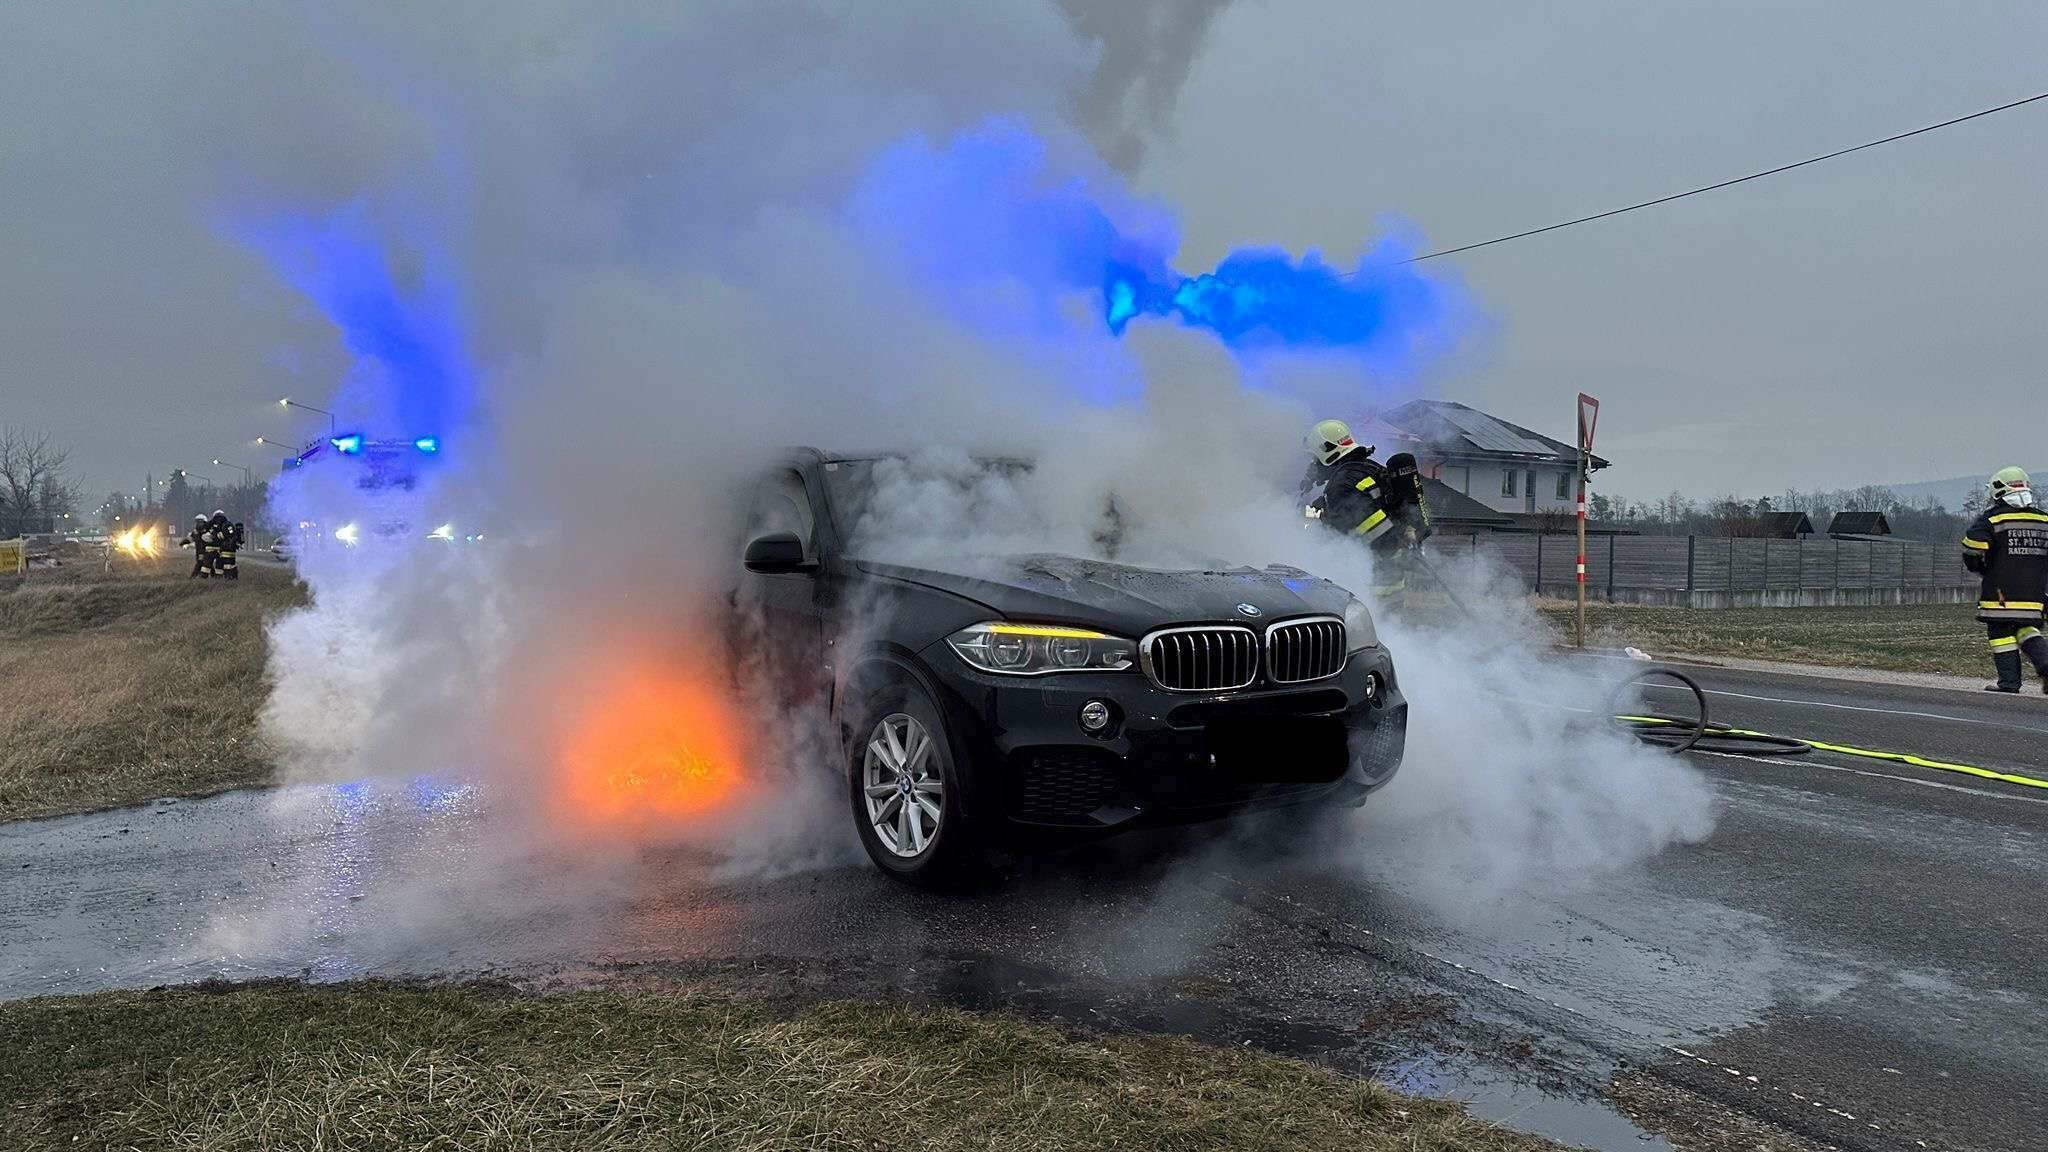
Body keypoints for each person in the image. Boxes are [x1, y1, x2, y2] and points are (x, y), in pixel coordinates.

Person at [1963, 467, 2048, 693]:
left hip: (2000, 593)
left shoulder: (1994, 518)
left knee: (2001, 635)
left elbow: (1972, 547)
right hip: (2035, 594)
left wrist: (1980, 567)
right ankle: (2046, 666)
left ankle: (2009, 684)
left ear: (1998, 490)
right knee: (2026, 630)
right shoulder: (2043, 519)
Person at [179, 514, 211, 579]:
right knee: (201, 563)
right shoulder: (195, 532)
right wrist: (183, 543)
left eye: (200, 522)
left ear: (204, 522)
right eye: (197, 522)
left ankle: (194, 577)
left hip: (208, 551)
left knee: (204, 564)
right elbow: (190, 539)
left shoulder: (208, 530)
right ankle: (200, 577)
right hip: (199, 551)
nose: (199, 524)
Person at [208, 510, 231, 578]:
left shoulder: (212, 523)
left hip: (215, 546)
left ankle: (216, 576)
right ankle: (223, 576)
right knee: (223, 562)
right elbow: (230, 534)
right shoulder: (227, 523)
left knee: (212, 562)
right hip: (224, 547)